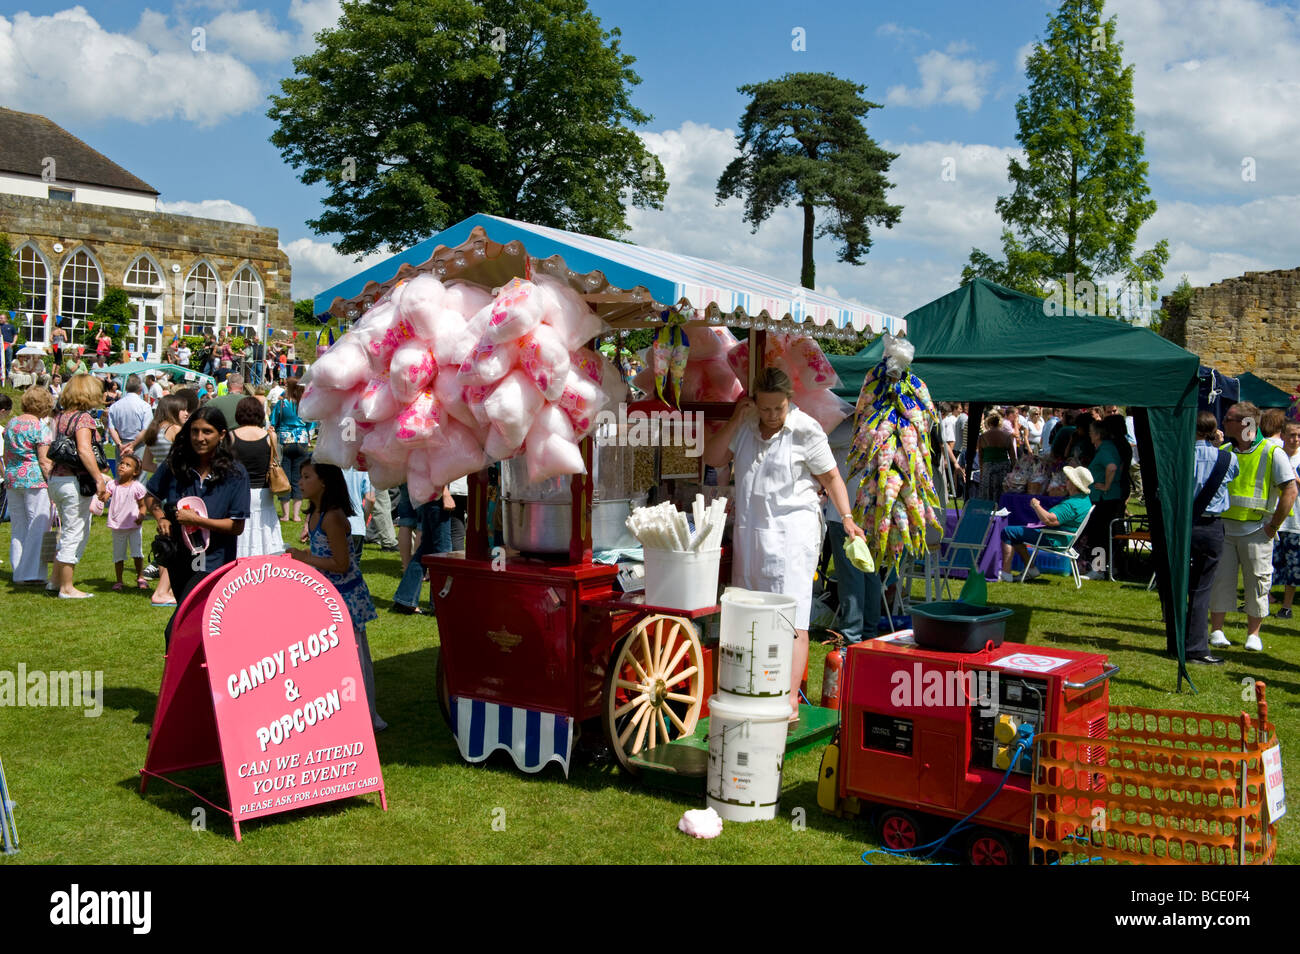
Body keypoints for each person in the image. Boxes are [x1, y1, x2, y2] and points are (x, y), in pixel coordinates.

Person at [703, 368, 865, 720]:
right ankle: (752, 689)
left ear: (790, 401)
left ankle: (789, 699)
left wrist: (847, 517)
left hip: (793, 536)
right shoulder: (745, 428)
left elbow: (832, 476)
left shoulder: (806, 429)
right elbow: (713, 458)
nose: (773, 415)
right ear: (754, 404)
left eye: (779, 408)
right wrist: (735, 419)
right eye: (765, 409)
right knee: (749, 615)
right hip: (752, 533)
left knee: (792, 619)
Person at [290, 460, 386, 731]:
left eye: (307, 476)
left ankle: (365, 714)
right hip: (329, 595)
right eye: (301, 476)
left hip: (345, 597)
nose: (300, 482)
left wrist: (305, 558)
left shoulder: (332, 517)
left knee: (354, 655)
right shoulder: (315, 514)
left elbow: (341, 564)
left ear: (324, 482)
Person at [145, 406, 250, 636]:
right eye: (194, 431)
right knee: (196, 624)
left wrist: (198, 521)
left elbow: (236, 526)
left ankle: (178, 667)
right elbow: (150, 496)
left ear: (221, 434)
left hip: (213, 561)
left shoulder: (235, 473)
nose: (199, 438)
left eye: (207, 432)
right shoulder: (176, 464)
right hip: (178, 558)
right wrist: (161, 517)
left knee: (178, 627)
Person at [1208, 402, 1299, 653]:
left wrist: (1273, 526)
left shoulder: (1272, 453)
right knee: (1220, 580)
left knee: (1258, 581)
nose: (1223, 423)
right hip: (1225, 528)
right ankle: (1216, 630)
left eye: (1229, 419)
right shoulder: (1224, 450)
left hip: (1257, 530)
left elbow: (1290, 491)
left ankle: (1254, 634)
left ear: (1246, 423)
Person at [41, 374, 111, 598]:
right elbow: (84, 449)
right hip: (74, 481)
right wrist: (99, 479)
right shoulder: (83, 419)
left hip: (56, 479)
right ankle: (67, 587)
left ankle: (55, 580)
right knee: (75, 531)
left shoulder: (61, 417)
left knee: (67, 529)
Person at [1182, 411, 1240, 665]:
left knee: (1180, 586)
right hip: (1212, 525)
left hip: (1185, 525)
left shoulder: (1181, 454)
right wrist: (1217, 446)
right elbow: (1233, 474)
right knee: (1202, 588)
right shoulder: (1227, 458)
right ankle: (1195, 647)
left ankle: (1180, 640)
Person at [824, 416, 877, 643]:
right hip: (871, 512)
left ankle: (851, 635)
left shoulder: (848, 426)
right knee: (868, 573)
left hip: (846, 514)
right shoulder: (879, 425)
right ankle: (868, 632)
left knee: (852, 576)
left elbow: (819, 440)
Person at [998, 465, 1094, 582]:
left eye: (1068, 479)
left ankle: (1005, 574)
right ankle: (1031, 569)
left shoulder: (1072, 504)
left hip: (1054, 539)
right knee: (1016, 533)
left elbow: (1049, 520)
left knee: (1008, 532)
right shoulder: (1084, 499)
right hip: (1063, 537)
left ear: (1074, 484)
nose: (1066, 481)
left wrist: (1036, 505)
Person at [4, 387, 55, 584]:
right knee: (37, 525)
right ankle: (32, 573)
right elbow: (44, 461)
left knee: (19, 526)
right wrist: (52, 484)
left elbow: (8, 453)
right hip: (34, 480)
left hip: (13, 477)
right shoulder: (39, 427)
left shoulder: (11, 424)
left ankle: (18, 570)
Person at [230, 396, 285, 558]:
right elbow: (277, 460)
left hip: (238, 491)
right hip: (264, 492)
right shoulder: (270, 436)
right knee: (265, 531)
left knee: (242, 532)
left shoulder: (231, 436)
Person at [1081, 416, 1130, 580]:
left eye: (1091, 433)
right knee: (1103, 534)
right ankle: (1105, 567)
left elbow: (1112, 467)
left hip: (1104, 498)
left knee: (1098, 534)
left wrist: (1107, 485)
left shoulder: (1105, 449)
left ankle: (1098, 569)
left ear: (1098, 435)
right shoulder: (1108, 448)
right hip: (1107, 497)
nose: (1089, 435)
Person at [97, 452, 148, 591]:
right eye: (121, 463)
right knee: (118, 555)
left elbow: (143, 505)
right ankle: (119, 581)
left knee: (137, 553)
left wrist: (141, 516)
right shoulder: (113, 485)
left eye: (127, 465)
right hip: (117, 526)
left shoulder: (137, 487)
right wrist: (102, 496)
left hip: (133, 526)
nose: (122, 466)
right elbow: (105, 497)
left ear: (135, 472)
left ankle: (140, 577)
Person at [270, 378, 313, 521]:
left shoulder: (282, 404)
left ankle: (286, 514)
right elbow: (310, 424)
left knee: (285, 477)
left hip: (285, 441)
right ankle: (296, 515)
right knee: (298, 477)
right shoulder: (304, 404)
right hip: (301, 441)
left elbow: (273, 421)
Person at [1270, 420, 1300, 621]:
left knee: (1293, 566)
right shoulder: (1275, 454)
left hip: (1296, 522)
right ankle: (1263, 599)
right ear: (1282, 435)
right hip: (1273, 518)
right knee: (1266, 563)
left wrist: (1292, 476)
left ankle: (1287, 606)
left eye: (1298, 436)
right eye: (1291, 435)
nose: (1295, 440)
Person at [108, 374, 156, 468]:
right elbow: (146, 429)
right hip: (138, 444)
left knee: (121, 474)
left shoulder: (115, 406)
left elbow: (112, 428)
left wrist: (119, 444)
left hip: (122, 444)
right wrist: (132, 445)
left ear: (126, 388)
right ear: (140, 389)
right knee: (139, 475)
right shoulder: (145, 406)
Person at [976, 411, 1016, 501]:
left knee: (988, 493)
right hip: (1003, 468)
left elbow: (980, 457)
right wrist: (1014, 471)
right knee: (1001, 492)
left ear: (989, 423)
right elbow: (1013, 457)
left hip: (988, 468)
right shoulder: (1007, 436)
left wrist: (982, 471)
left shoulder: (983, 437)